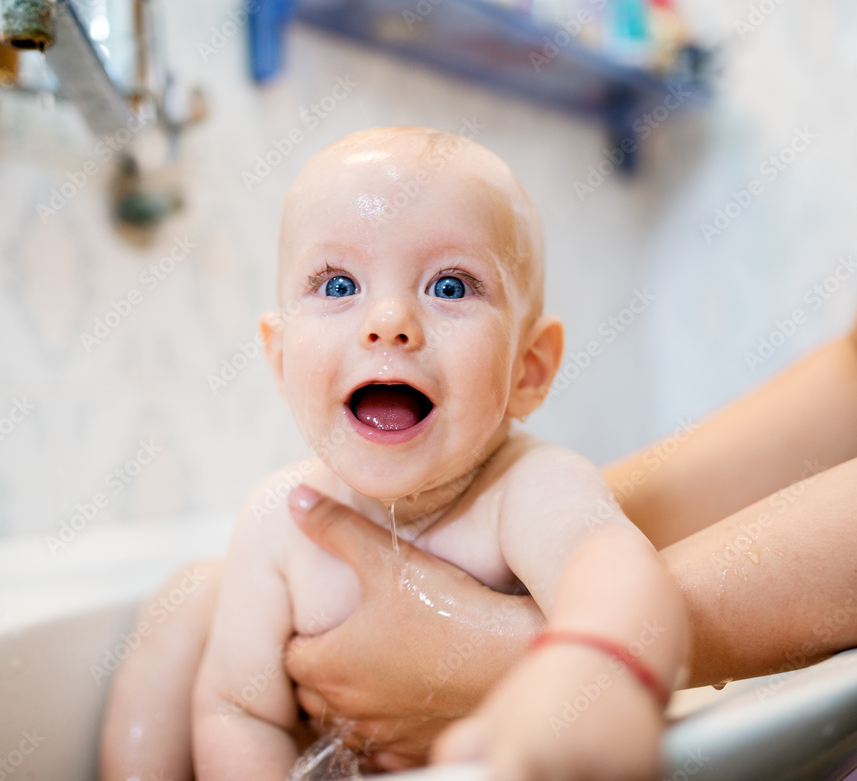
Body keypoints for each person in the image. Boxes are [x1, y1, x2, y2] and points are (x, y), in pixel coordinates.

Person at [100, 138, 857, 779]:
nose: (389, 321)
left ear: (528, 368)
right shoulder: (278, 520)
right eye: (338, 285)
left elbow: (618, 573)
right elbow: (238, 708)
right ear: (278, 354)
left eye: (450, 285)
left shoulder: (528, 490)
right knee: (180, 603)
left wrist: (588, 674)